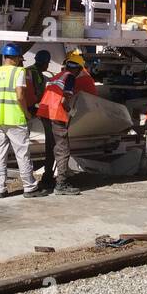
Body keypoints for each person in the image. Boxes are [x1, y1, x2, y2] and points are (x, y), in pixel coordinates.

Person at [0, 43, 40, 198]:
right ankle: (29, 187)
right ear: (16, 58)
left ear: (4, 57)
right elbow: (20, 96)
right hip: (15, 118)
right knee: (22, 153)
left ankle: (0, 189)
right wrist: (27, 114)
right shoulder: (18, 72)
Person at [35, 51, 87, 196]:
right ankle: (61, 184)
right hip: (55, 114)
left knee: (51, 147)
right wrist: (70, 111)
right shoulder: (70, 77)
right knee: (63, 149)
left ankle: (47, 179)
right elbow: (64, 101)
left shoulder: (57, 76)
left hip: (45, 113)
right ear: (77, 69)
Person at [23, 50, 58, 192]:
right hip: (34, 110)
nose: (47, 66)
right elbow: (38, 94)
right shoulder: (36, 74)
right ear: (44, 63)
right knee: (50, 142)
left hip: (23, 110)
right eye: (47, 63)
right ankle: (47, 177)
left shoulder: (27, 70)